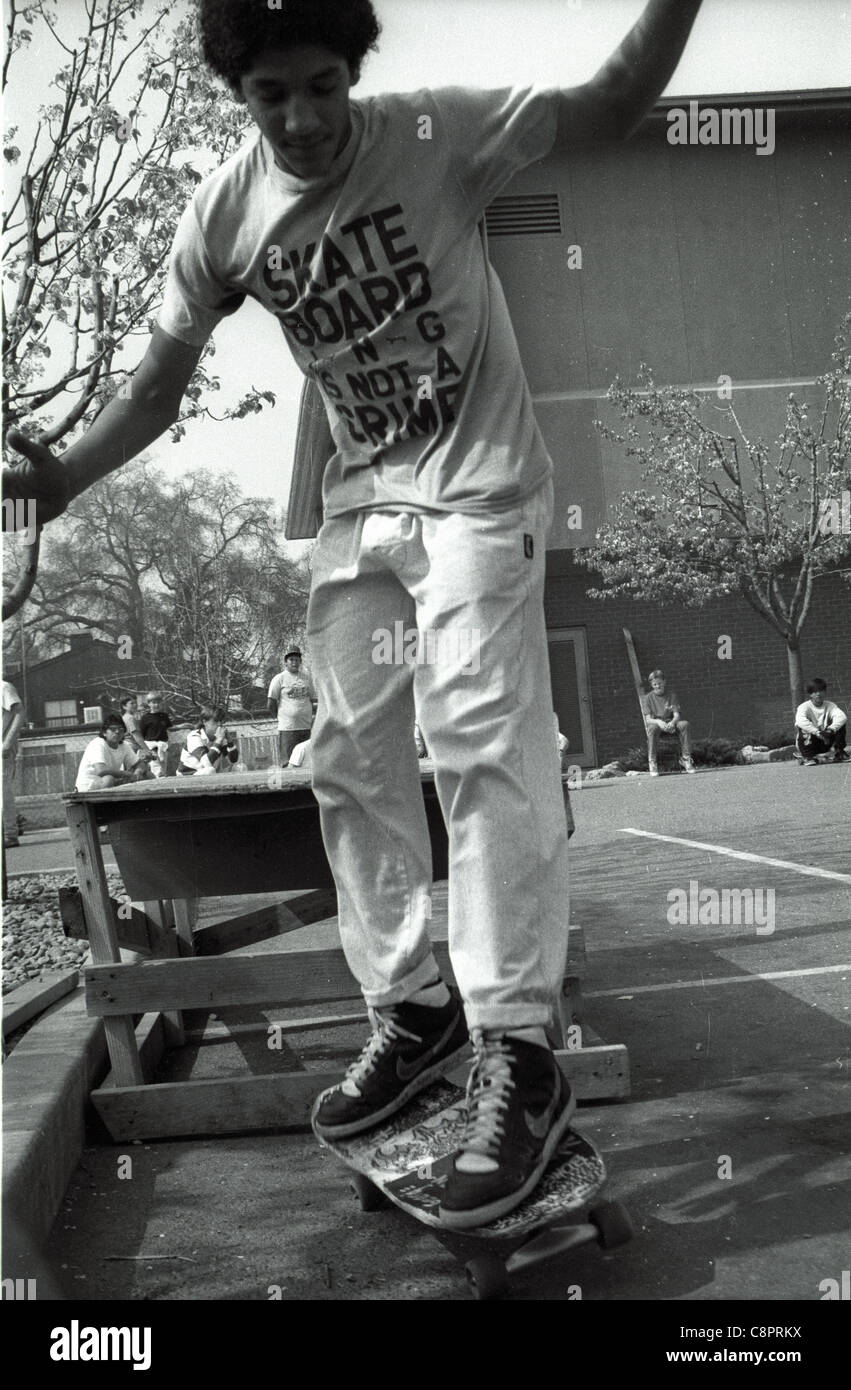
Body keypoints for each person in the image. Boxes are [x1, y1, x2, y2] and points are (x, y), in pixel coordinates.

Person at [1, 0, 703, 1227]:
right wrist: (63, 475)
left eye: (325, 86)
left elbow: (605, 104)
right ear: (242, 92)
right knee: (345, 758)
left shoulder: (438, 133)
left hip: (478, 495)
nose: (305, 118)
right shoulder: (222, 215)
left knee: (482, 744)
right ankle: (415, 1010)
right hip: (361, 507)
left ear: (356, 72)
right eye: (275, 94)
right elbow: (159, 388)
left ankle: (518, 1051)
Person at [75, 714, 150, 791]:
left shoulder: (123, 745)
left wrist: (138, 771)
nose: (117, 732)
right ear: (104, 732)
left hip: (110, 783)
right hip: (87, 787)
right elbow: (101, 771)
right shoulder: (98, 743)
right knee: (108, 779)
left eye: (120, 729)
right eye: (113, 729)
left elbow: (140, 763)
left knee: (147, 774)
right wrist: (126, 774)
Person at [642, 669, 695, 776]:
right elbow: (648, 719)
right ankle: (652, 761)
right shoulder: (647, 698)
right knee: (651, 728)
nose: (657, 686)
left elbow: (676, 715)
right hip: (657, 724)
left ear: (664, 682)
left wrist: (672, 722)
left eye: (659, 683)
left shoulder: (672, 695)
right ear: (652, 685)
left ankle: (686, 758)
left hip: (671, 723)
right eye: (654, 684)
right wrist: (658, 722)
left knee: (684, 724)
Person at [267, 649, 315, 767]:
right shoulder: (279, 678)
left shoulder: (307, 678)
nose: (295, 662)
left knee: (306, 762)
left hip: (306, 727)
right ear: (285, 662)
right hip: (288, 728)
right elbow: (271, 703)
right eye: (291, 659)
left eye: (297, 659)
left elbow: (313, 699)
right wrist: (282, 717)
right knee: (289, 763)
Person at [795, 679, 847, 765]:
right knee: (804, 729)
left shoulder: (831, 706)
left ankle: (839, 752)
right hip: (809, 743)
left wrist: (830, 730)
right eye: (815, 692)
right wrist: (817, 732)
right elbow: (801, 721)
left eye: (821, 691)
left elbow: (842, 717)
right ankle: (808, 757)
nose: (818, 694)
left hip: (826, 739)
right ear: (810, 694)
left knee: (840, 724)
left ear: (825, 692)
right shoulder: (804, 707)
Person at [178, 706, 240, 775]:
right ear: (204, 722)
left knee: (239, 767)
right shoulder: (194, 736)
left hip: (207, 773)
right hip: (187, 775)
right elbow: (206, 762)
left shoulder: (219, 736)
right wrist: (218, 740)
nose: (219, 724)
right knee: (209, 771)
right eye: (216, 721)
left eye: (221, 721)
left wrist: (230, 741)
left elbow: (233, 760)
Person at [2, 680, 25, 847]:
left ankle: (10, 834)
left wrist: (8, 743)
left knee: (3, 792)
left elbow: (19, 712)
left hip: (2, 748)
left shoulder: (3, 687)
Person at [139, 691, 173, 777]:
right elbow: (142, 734)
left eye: (158, 702)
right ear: (149, 704)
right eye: (154, 703)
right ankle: (157, 780)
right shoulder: (145, 718)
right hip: (152, 745)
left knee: (164, 765)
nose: (156, 705)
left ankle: (163, 780)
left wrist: (183, 726)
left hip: (162, 744)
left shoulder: (164, 716)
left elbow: (169, 728)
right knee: (155, 766)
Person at [121, 695, 155, 764]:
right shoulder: (130, 718)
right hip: (132, 747)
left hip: (129, 747)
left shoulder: (126, 717)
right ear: (124, 706)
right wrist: (148, 750)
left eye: (135, 703)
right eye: (131, 703)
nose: (135, 705)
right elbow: (137, 736)